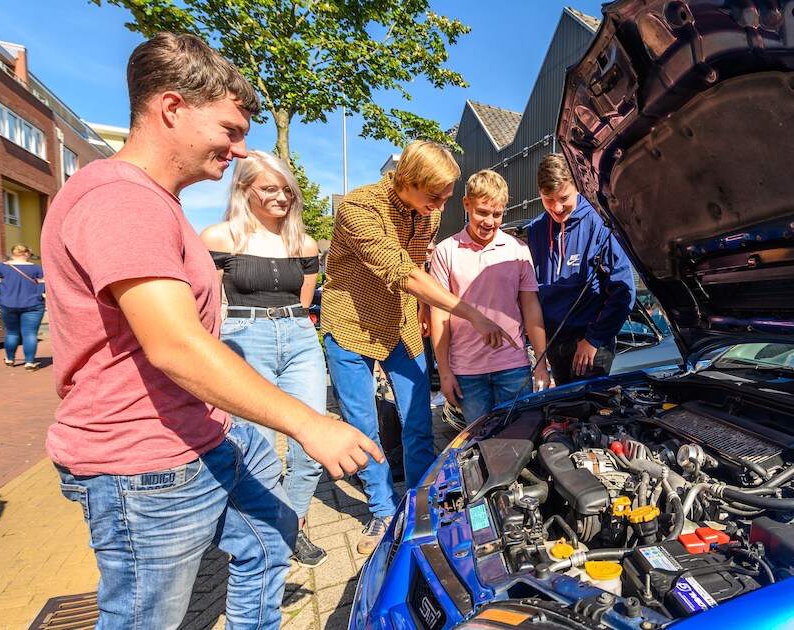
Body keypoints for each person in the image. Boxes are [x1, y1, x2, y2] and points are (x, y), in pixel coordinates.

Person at [40, 33, 381, 629]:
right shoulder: (122, 200)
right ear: (171, 108)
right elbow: (175, 345)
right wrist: (309, 422)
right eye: (229, 129)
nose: (240, 148)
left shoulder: (156, 200)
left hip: (207, 433)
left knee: (272, 537)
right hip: (146, 464)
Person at [320, 140, 516, 555]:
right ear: (407, 181)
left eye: (446, 197)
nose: (443, 205)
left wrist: (426, 308)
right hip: (351, 326)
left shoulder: (428, 209)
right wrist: (472, 314)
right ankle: (381, 511)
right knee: (363, 428)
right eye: (436, 197)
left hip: (402, 325)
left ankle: (421, 504)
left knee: (417, 420)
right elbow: (399, 269)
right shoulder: (359, 209)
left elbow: (419, 263)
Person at [200, 150, 329, 568]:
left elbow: (304, 297)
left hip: (299, 335)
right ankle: (268, 530)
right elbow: (205, 303)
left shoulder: (303, 242)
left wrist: (301, 330)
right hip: (243, 337)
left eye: (285, 189)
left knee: (311, 443)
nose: (281, 197)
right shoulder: (219, 238)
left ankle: (295, 522)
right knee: (257, 449)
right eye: (270, 189)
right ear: (244, 189)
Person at [429, 170, 551, 422]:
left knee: (519, 440)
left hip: (513, 366)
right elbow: (439, 314)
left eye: (497, 215)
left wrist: (541, 363)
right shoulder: (445, 251)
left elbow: (531, 308)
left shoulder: (518, 250)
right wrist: (444, 372)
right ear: (466, 204)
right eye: (482, 212)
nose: (489, 222)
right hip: (466, 371)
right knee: (479, 444)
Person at [526, 153, 635, 385]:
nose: (556, 207)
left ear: (577, 186)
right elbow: (531, 291)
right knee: (563, 416)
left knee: (588, 414)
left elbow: (624, 290)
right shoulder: (535, 230)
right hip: (553, 343)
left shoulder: (601, 222)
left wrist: (594, 339)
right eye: (548, 199)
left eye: (563, 197)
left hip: (590, 344)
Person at [0, 244, 46, 370]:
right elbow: (44, 287)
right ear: (27, 254)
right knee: (30, 334)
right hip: (33, 304)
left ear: (13, 253)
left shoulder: (1, 267)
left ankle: (10, 359)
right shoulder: (37, 269)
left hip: (8, 304)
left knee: (12, 333)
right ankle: (29, 362)